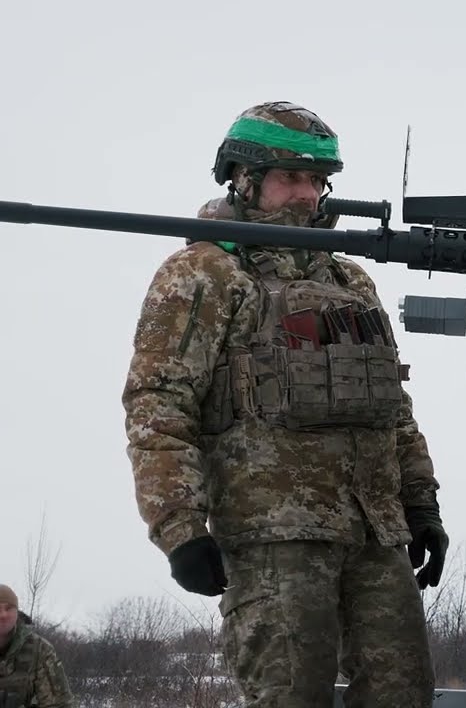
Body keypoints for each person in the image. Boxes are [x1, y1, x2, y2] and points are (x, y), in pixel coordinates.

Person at [121, 101, 447, 707]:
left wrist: (420, 505)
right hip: (273, 536)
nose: (307, 193)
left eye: (318, 181)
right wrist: (181, 529)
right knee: (290, 696)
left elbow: (393, 408)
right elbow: (158, 407)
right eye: (290, 178)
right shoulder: (206, 273)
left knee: (404, 693)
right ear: (243, 179)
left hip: (376, 532)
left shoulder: (350, 282)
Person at [0, 584, 73, 707]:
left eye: (8, 608)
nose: (3, 615)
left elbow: (59, 703)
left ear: (17, 612)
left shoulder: (39, 649)